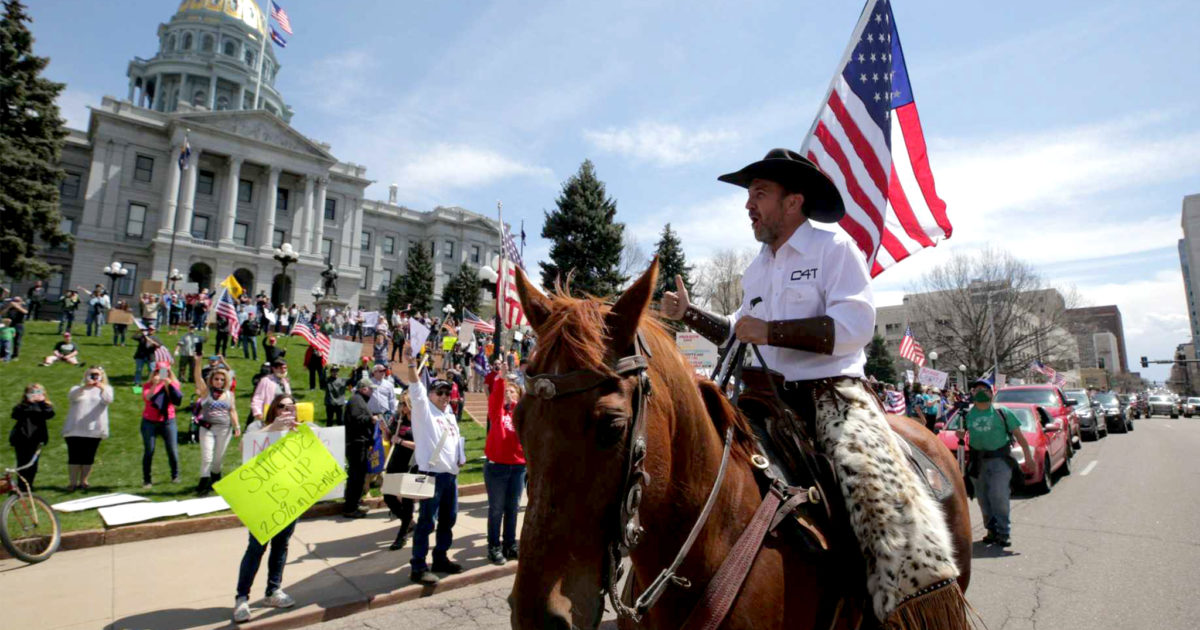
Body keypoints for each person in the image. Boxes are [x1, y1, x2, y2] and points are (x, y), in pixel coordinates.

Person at [660, 148, 970, 626]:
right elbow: (740, 329)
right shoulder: (757, 267)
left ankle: (909, 605)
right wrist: (690, 315)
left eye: (759, 193)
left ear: (793, 202)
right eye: (748, 195)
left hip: (832, 396)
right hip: (763, 398)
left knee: (877, 497)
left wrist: (771, 331)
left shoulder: (834, 249)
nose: (748, 205)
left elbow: (854, 326)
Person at [399, 341, 463, 585]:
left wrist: (460, 458)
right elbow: (415, 387)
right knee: (427, 522)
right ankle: (418, 566)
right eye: (440, 393)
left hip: (450, 476)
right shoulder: (424, 411)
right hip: (431, 476)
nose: (445, 397)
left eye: (448, 393)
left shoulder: (449, 415)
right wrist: (412, 362)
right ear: (431, 395)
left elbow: (455, 441)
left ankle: (440, 558)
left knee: (449, 520)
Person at [232, 393, 300, 623]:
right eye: (282, 406)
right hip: (263, 498)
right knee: (256, 547)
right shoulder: (259, 426)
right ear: (274, 409)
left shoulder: (299, 430)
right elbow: (243, 446)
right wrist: (271, 428)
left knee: (281, 545)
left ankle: (273, 590)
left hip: (289, 498)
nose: (287, 411)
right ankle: (242, 597)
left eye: (292, 407)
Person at [957, 379, 1033, 548]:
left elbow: (1020, 437)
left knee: (999, 497)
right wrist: (960, 434)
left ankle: (1003, 532)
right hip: (978, 462)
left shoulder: (1002, 412)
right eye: (977, 390)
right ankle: (991, 530)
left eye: (985, 389)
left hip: (1000, 461)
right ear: (972, 394)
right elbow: (960, 436)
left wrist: (1029, 458)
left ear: (992, 393)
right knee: (983, 499)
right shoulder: (967, 415)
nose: (981, 392)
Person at [483, 374, 525, 565]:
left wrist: (517, 405)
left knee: (513, 509)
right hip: (497, 468)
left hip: (518, 468)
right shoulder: (497, 413)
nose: (508, 393)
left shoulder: (522, 417)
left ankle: (510, 544)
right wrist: (501, 381)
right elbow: (495, 399)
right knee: (496, 509)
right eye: (506, 391)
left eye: (512, 391)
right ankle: (494, 547)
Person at [193, 356, 241, 496]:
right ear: (211, 380)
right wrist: (197, 362)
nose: (219, 382)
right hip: (207, 428)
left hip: (225, 429)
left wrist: (237, 426)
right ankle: (203, 484)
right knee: (207, 457)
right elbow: (197, 378)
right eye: (216, 379)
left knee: (218, 459)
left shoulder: (229, 394)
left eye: (222, 379)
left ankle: (215, 481)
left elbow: (232, 410)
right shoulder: (206, 392)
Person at [63, 367, 113, 491]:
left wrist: (100, 387)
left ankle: (84, 481)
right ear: (86, 375)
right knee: (74, 457)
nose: (94, 377)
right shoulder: (77, 388)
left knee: (88, 457)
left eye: (97, 375)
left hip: (94, 429)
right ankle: (72, 482)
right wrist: (84, 387)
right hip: (75, 428)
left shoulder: (106, 389)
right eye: (91, 374)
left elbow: (108, 400)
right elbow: (72, 397)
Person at [381, 393, 416, 550]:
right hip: (395, 462)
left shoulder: (419, 421)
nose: (400, 406)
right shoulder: (397, 418)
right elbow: (389, 438)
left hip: (409, 464)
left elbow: (421, 445)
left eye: (403, 403)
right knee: (388, 497)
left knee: (407, 501)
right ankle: (408, 521)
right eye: (400, 403)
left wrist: (401, 441)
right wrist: (384, 430)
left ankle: (401, 536)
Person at [140, 362, 182, 487]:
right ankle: (147, 479)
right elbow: (148, 397)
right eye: (158, 371)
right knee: (149, 450)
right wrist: (155, 385)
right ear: (154, 372)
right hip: (149, 421)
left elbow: (175, 399)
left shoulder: (174, 384)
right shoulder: (147, 385)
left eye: (165, 371)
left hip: (168, 420)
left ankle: (175, 475)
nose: (162, 374)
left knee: (172, 450)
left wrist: (167, 384)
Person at [342, 378, 377, 518]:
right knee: (356, 477)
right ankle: (350, 507)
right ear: (363, 389)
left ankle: (353, 504)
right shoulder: (356, 400)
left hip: (359, 443)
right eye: (371, 389)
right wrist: (371, 419)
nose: (372, 391)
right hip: (356, 444)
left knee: (358, 476)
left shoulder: (358, 400)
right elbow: (357, 419)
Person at [9, 383, 53, 490]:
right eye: (32, 393)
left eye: (38, 392)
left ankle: (29, 484)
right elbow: (15, 414)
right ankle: (21, 485)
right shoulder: (22, 406)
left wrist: (41, 402)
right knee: (22, 463)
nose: (35, 395)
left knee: (32, 464)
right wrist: (29, 403)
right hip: (21, 438)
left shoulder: (44, 406)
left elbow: (49, 414)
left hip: (36, 439)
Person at [251, 358, 292, 423]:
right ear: (274, 369)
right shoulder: (265, 381)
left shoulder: (285, 381)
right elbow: (257, 398)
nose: (283, 370)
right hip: (270, 415)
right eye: (281, 368)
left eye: (285, 368)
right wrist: (258, 413)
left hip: (284, 415)